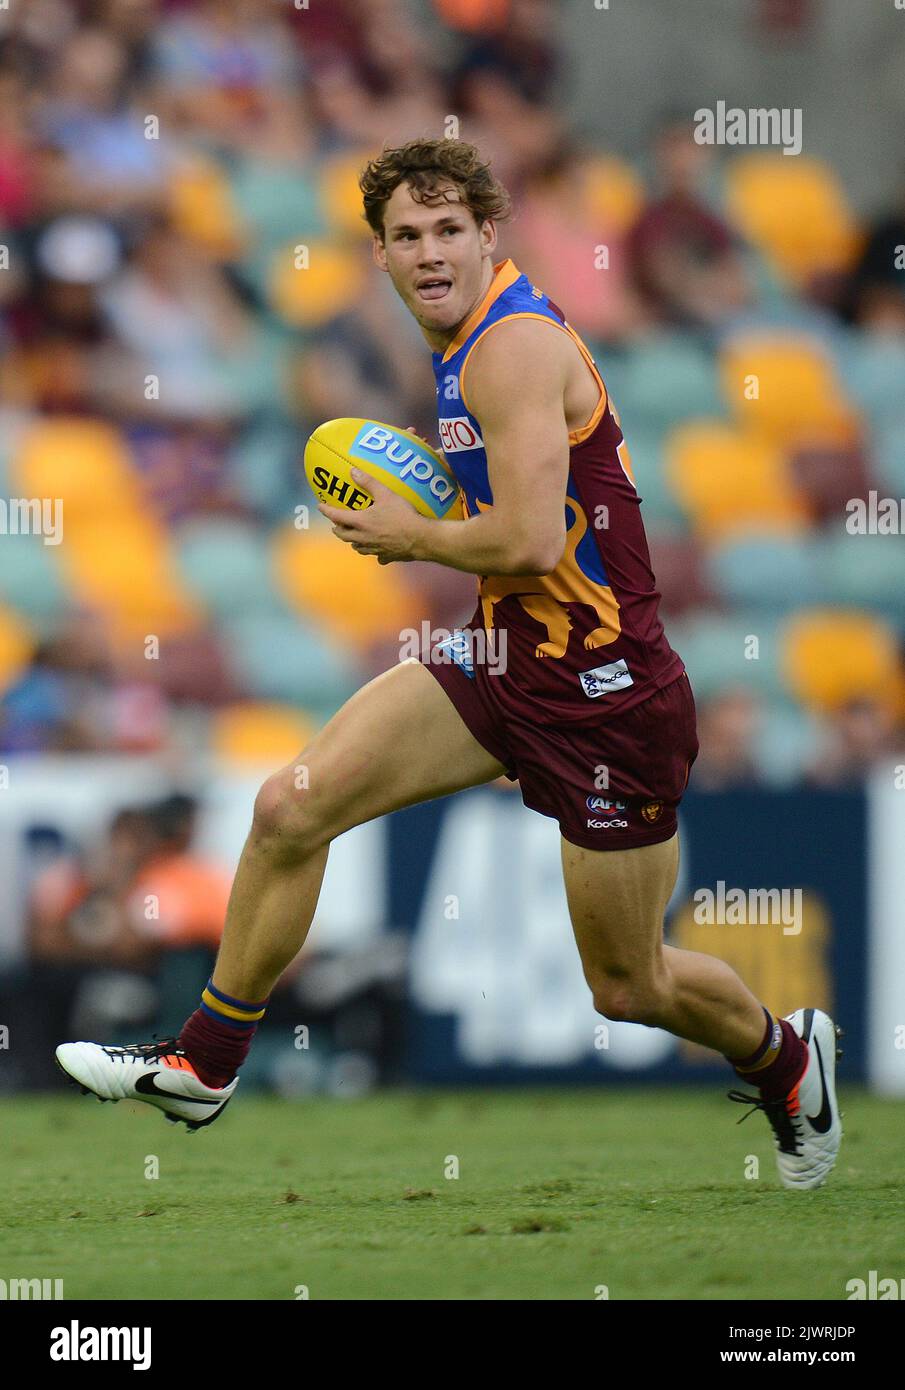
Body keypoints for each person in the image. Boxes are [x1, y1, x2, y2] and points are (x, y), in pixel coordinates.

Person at [56, 138, 841, 1189]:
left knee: (628, 984)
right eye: (405, 236)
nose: (428, 252)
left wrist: (406, 536)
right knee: (292, 805)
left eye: (447, 230)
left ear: (487, 237)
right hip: (501, 661)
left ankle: (789, 1060)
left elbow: (524, 541)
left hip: (603, 695)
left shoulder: (508, 348)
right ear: (377, 255)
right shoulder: (456, 340)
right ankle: (207, 1060)